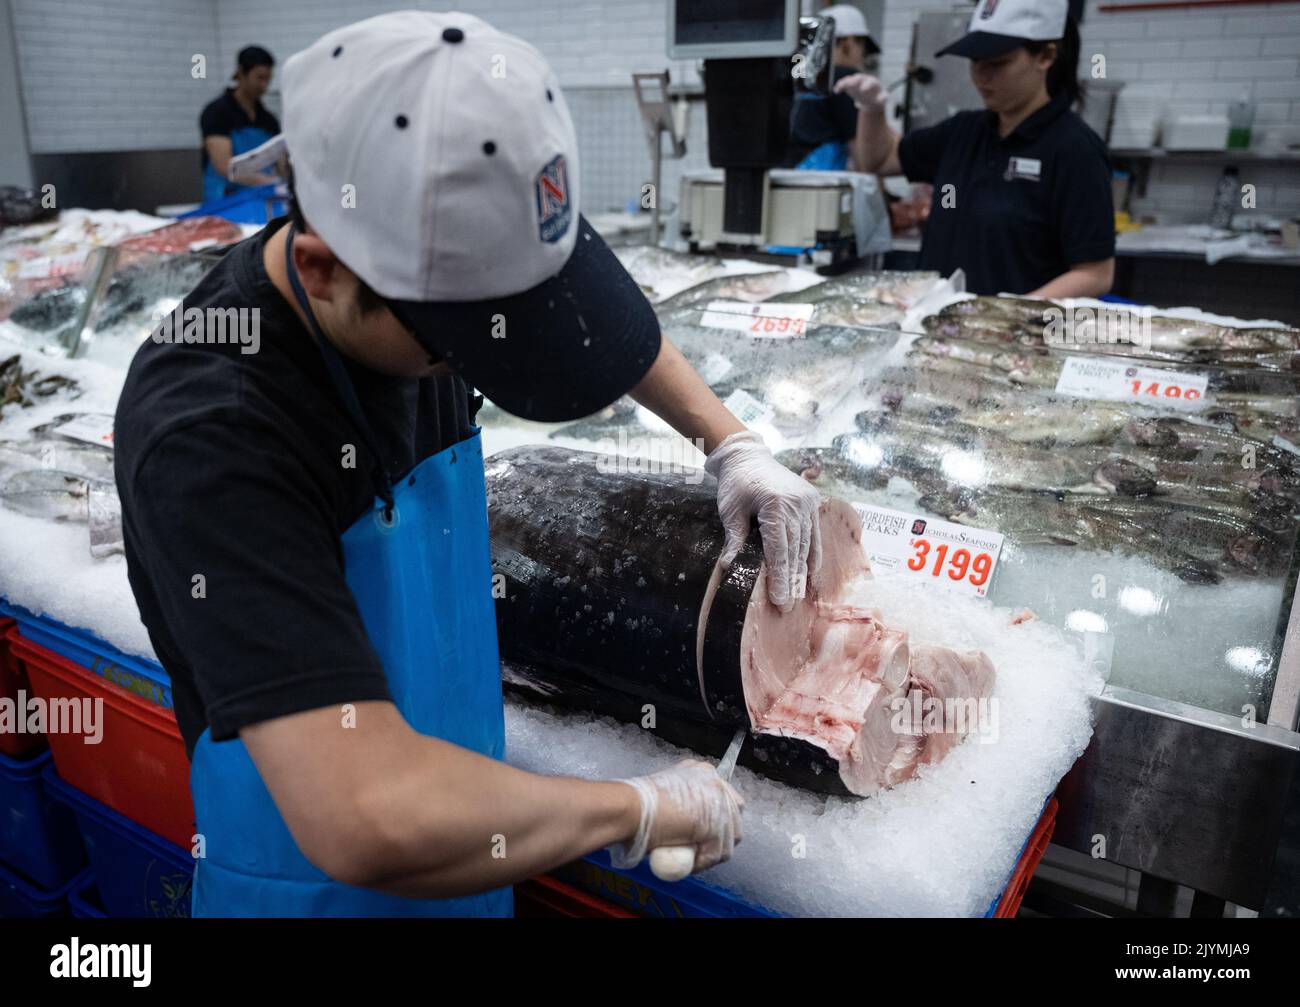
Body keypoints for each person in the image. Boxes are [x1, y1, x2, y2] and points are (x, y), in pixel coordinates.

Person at [116, 12, 824, 917]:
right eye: (465, 337)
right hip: (321, 881)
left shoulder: (449, 242)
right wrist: (635, 808)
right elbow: (363, 815)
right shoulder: (211, 433)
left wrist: (730, 442)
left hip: (473, 845)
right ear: (324, 266)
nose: (493, 350)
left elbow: (577, 300)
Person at [835, 0, 1115, 297]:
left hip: (1011, 335)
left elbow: (1094, 274)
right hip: (936, 325)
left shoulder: (1075, 149)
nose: (981, 76)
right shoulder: (964, 131)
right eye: (975, 61)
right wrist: (871, 110)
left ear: (1045, 56)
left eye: (997, 63)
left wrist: (1006, 314)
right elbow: (878, 161)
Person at [784, 4, 882, 171]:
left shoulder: (799, 76)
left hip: (790, 172)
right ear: (848, 43)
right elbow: (860, 147)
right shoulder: (846, 78)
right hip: (824, 180)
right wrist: (881, 194)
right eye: (862, 46)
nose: (862, 55)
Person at [199, 46, 282, 204]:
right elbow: (224, 166)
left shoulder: (269, 120)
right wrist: (267, 181)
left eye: (268, 79)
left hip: (263, 202)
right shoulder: (217, 113)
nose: (264, 86)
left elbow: (281, 162)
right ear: (241, 73)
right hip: (225, 203)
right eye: (259, 78)